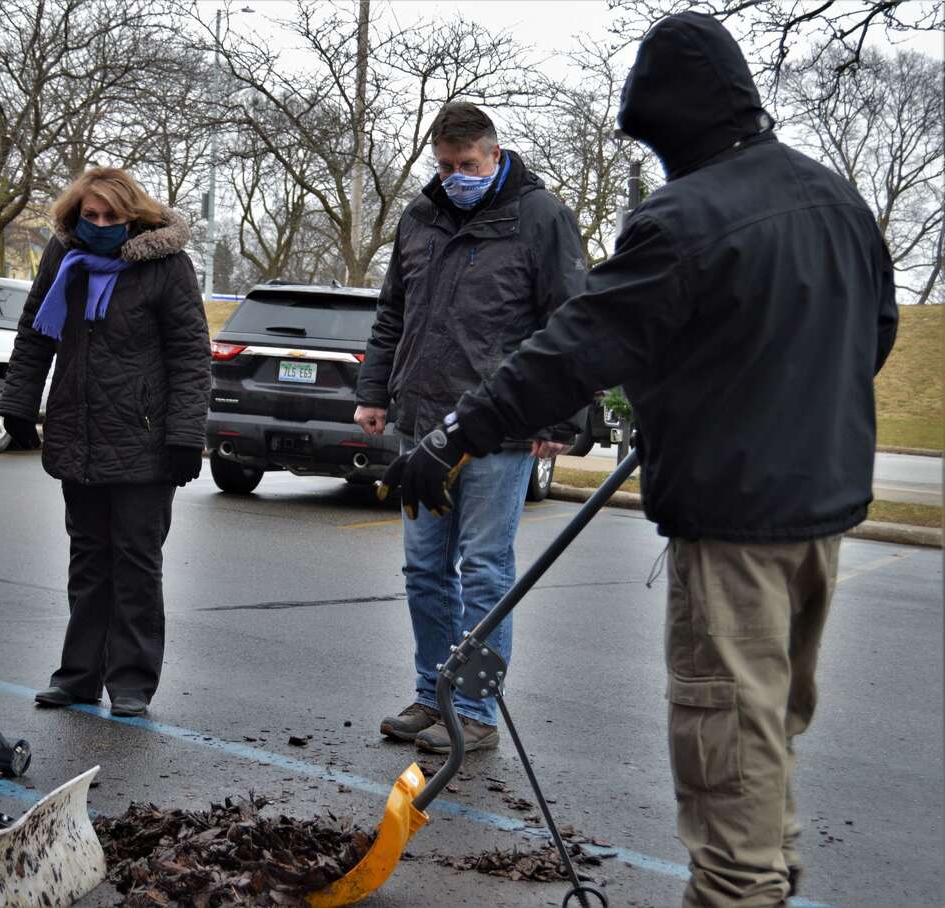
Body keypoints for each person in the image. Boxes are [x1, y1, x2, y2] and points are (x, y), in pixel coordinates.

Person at [380, 13, 898, 907]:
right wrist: (724, 401)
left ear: (673, 120)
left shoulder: (687, 215)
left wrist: (455, 435)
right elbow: (870, 334)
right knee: (763, 734)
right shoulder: (834, 198)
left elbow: (574, 346)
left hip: (735, 521)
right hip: (822, 514)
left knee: (725, 752)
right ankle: (768, 881)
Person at [355, 102, 587, 754]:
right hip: (421, 422)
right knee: (424, 569)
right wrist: (375, 392)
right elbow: (391, 314)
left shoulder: (541, 218)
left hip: (501, 430)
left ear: (494, 153)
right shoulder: (419, 218)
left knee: (484, 571)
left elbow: (569, 324)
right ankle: (432, 694)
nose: (457, 175)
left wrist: (559, 417)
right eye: (446, 165)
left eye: (468, 164)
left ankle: (477, 710)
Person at [0, 167, 210, 718]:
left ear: (133, 217)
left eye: (111, 217)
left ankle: (133, 681)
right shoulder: (63, 257)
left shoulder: (167, 267)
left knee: (137, 562)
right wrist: (18, 402)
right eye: (90, 215)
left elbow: (190, 356)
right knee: (88, 560)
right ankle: (78, 676)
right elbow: (35, 332)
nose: (99, 225)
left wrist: (185, 437)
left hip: (145, 439)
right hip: (79, 433)